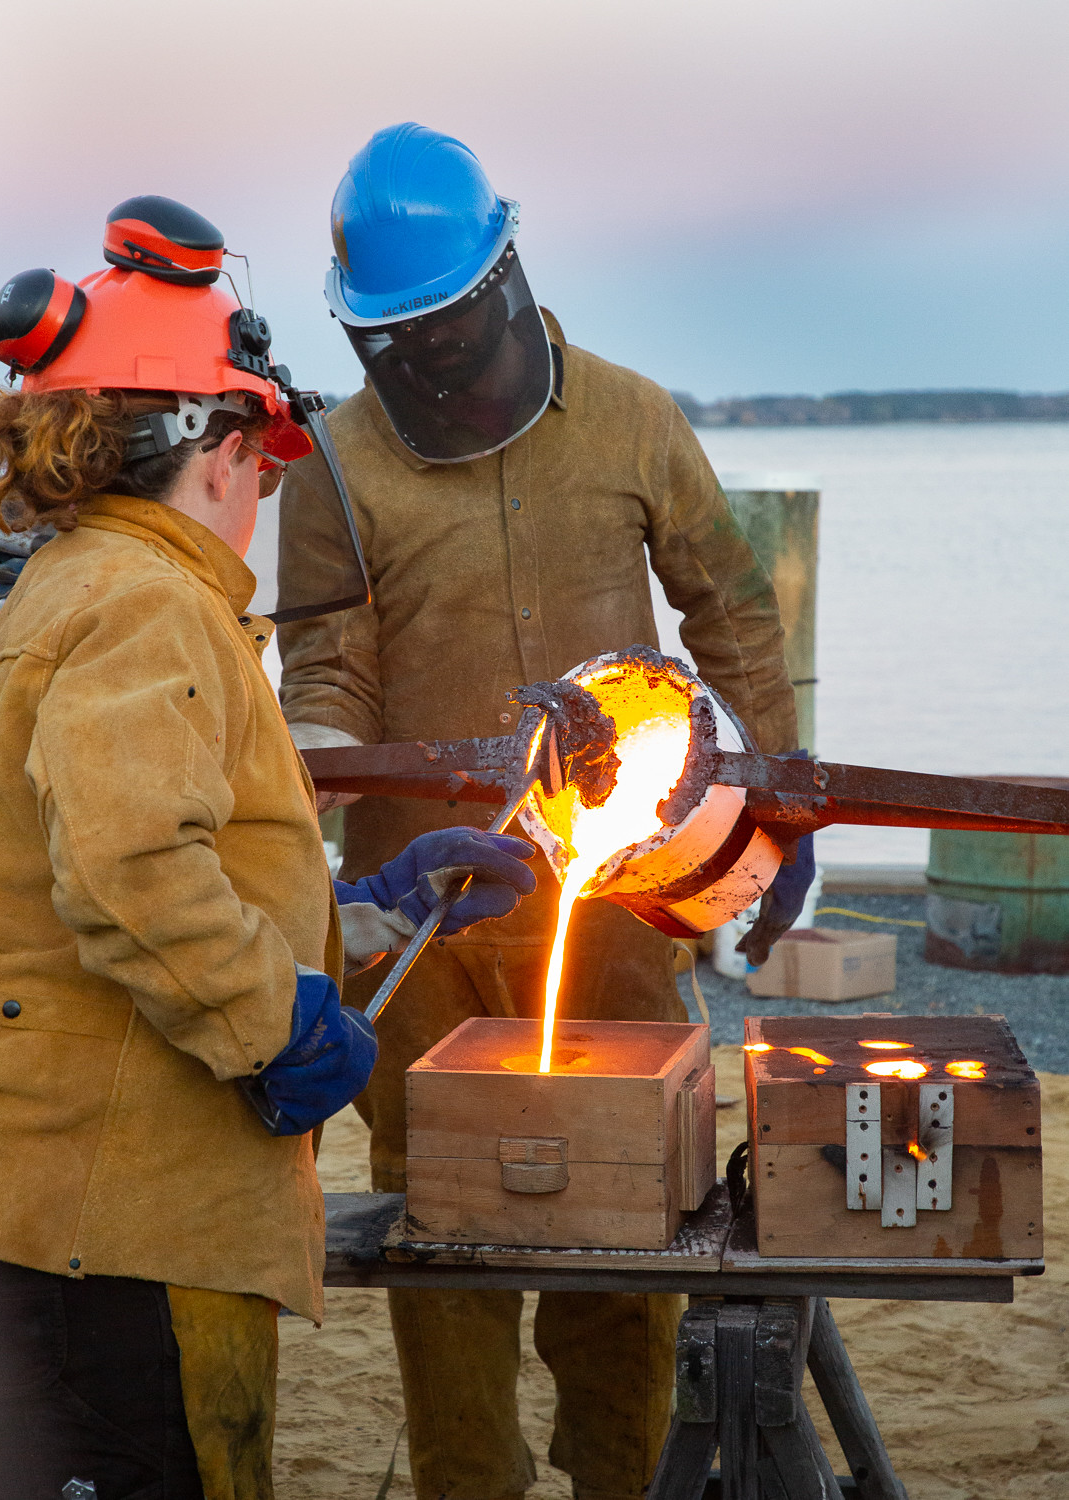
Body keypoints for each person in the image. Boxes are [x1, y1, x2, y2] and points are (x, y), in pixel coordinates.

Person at [277, 124, 814, 1500]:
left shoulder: (633, 417)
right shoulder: (332, 465)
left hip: (620, 908)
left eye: (454, 329)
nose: (439, 362)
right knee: (446, 1244)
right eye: (407, 344)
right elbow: (325, 663)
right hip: (428, 923)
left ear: (506, 279)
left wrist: (781, 807)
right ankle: (471, 1483)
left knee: (624, 1234)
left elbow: (731, 607)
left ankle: (618, 1476)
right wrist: (332, 779)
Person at [0, 194, 535, 1500]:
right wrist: (275, 1030)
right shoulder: (148, 608)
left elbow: (144, 870)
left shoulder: (71, 588)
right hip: (119, 1237)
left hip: (62, 1218)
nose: (265, 488)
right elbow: (128, 875)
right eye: (265, 461)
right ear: (215, 445)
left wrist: (375, 915)